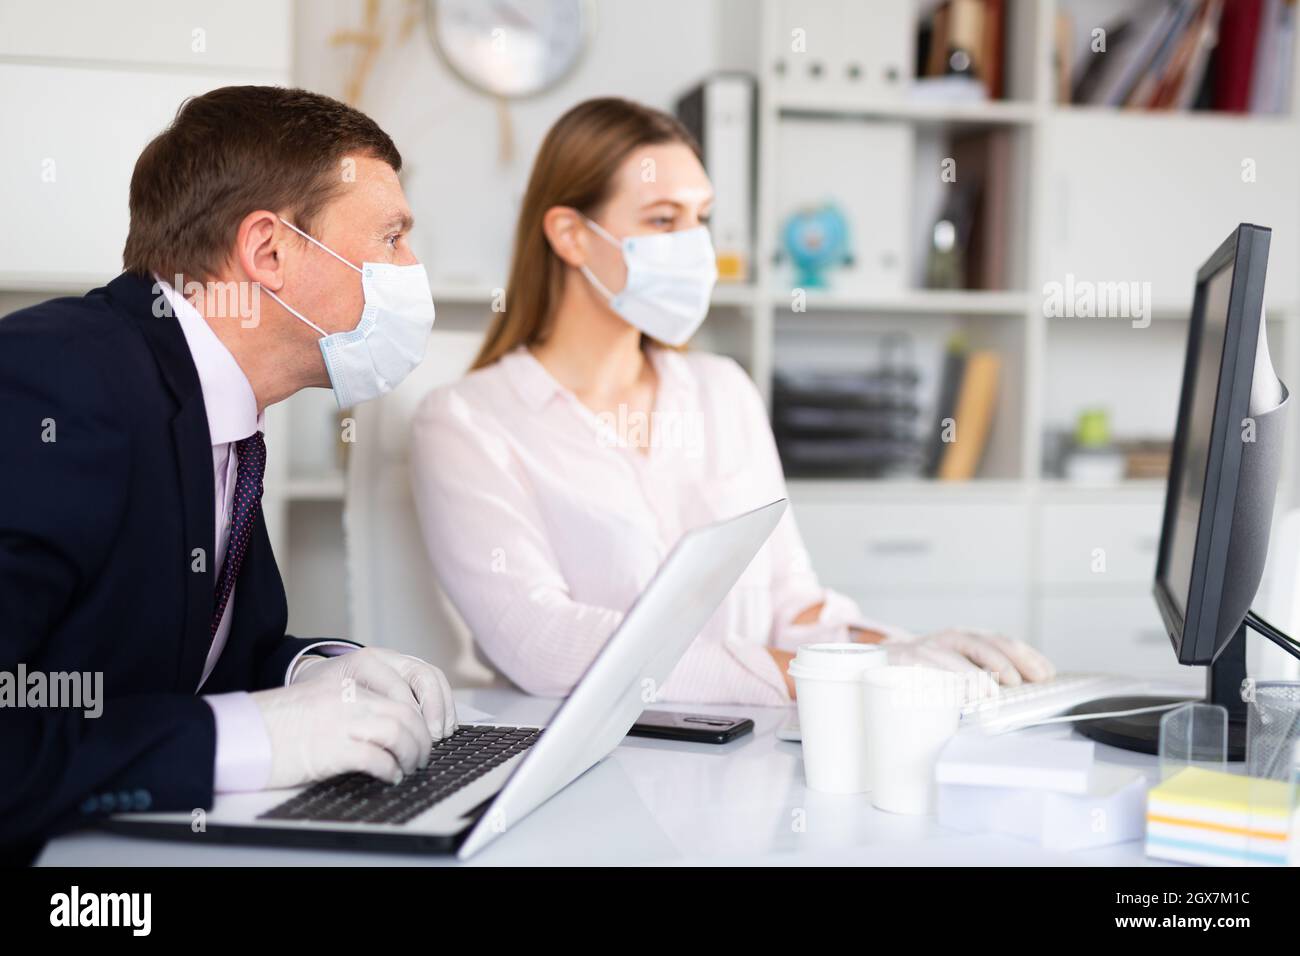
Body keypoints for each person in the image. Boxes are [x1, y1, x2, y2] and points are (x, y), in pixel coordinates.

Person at [410, 97, 1054, 706]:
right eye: (663, 219)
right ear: (571, 236)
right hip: (583, 774)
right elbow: (543, 643)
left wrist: (903, 650)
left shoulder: (723, 390)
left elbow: (791, 605)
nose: (695, 247)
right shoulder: (466, 422)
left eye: (701, 218)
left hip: (749, 753)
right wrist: (828, 679)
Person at [0, 86, 457, 861]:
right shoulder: (57, 379)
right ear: (268, 252)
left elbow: (167, 660)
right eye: (392, 237)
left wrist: (315, 671)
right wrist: (247, 737)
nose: (412, 268)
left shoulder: (222, 415)